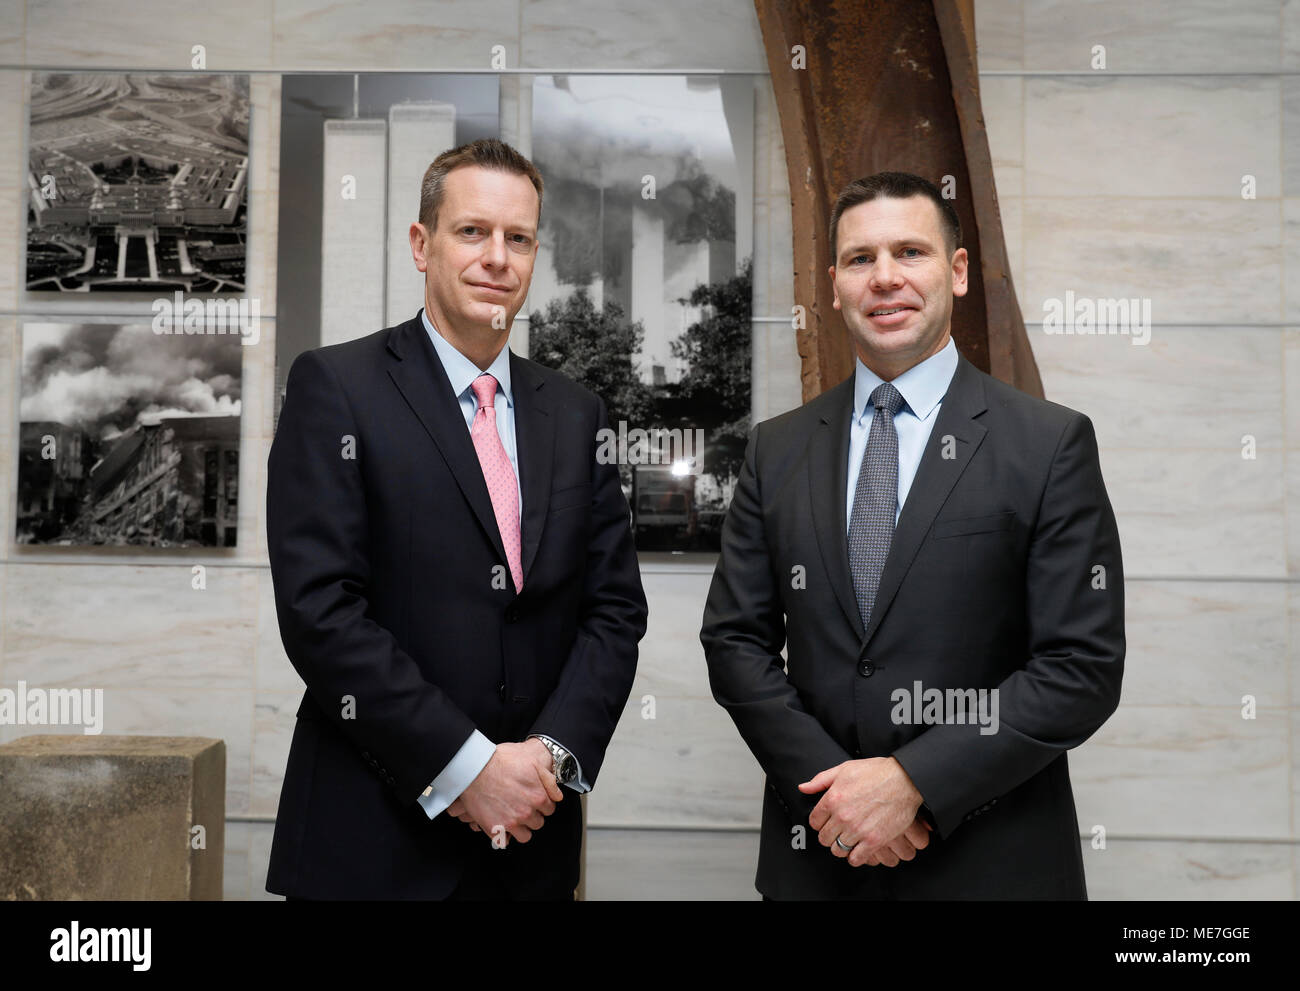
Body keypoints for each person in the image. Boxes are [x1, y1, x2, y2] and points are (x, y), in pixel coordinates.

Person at [700, 171, 1124, 900]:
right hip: (819, 863)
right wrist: (839, 800)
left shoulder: (1048, 444)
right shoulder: (778, 449)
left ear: (957, 272)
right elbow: (734, 641)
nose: (885, 278)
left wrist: (912, 782)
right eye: (861, 259)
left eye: (910, 252)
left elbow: (1080, 666)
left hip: (994, 868)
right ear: (834, 284)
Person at [265, 138, 648, 900]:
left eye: (519, 238)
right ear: (422, 243)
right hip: (371, 847)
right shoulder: (335, 387)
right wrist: (467, 765)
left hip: (531, 845)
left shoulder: (576, 414)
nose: (496, 257)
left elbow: (613, 611)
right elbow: (321, 612)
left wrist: (546, 756)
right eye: (472, 231)